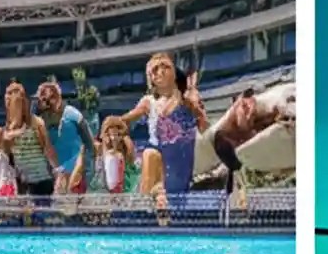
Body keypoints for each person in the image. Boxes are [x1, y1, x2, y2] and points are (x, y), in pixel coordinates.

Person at [103, 53, 207, 196]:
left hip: (182, 154)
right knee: (150, 155)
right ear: (151, 77)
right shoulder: (149, 102)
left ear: (174, 73)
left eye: (166, 67)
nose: (161, 71)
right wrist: (113, 123)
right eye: (155, 69)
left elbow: (203, 125)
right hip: (158, 153)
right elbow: (126, 118)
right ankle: (145, 205)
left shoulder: (186, 99)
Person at [35, 82, 98, 194]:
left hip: (77, 173)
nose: (42, 103)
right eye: (41, 100)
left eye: (45, 99)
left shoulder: (73, 115)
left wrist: (85, 172)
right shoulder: (40, 121)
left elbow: (90, 145)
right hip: (53, 176)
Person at [0, 81, 61, 195]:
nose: (8, 105)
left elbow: (47, 148)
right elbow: (5, 153)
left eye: (12, 101)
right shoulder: (8, 129)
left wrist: (58, 172)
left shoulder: (36, 123)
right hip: (23, 183)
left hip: (42, 181)